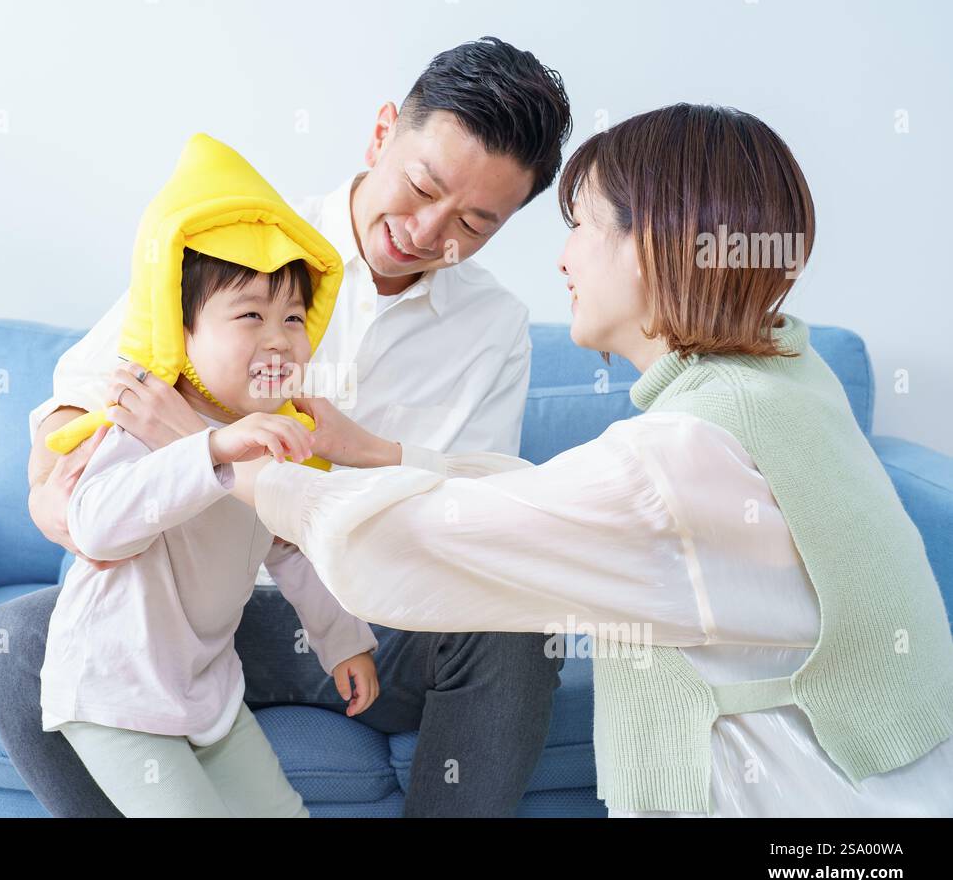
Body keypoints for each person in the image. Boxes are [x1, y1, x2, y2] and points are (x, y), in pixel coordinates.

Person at [202, 103, 953, 817]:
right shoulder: (785, 371)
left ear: (653, 243)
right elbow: (556, 507)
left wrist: (246, 467)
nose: (562, 259)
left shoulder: (679, 462)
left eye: (580, 226)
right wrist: (377, 452)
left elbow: (416, 545)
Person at [0, 37, 575, 817]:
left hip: (368, 611)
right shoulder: (239, 242)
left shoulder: (494, 327)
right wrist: (58, 491)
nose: (428, 231)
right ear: (383, 132)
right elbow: (79, 406)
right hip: (189, 608)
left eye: (474, 222)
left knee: (519, 632)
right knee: (18, 643)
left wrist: (233, 442)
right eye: (422, 186)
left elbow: (466, 524)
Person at [40, 133, 378, 817]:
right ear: (182, 328)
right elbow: (96, 526)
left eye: (292, 318)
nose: (279, 339)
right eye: (249, 316)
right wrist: (212, 447)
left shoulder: (280, 433)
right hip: (114, 691)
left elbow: (292, 544)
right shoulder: (142, 417)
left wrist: (343, 641)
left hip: (207, 687)